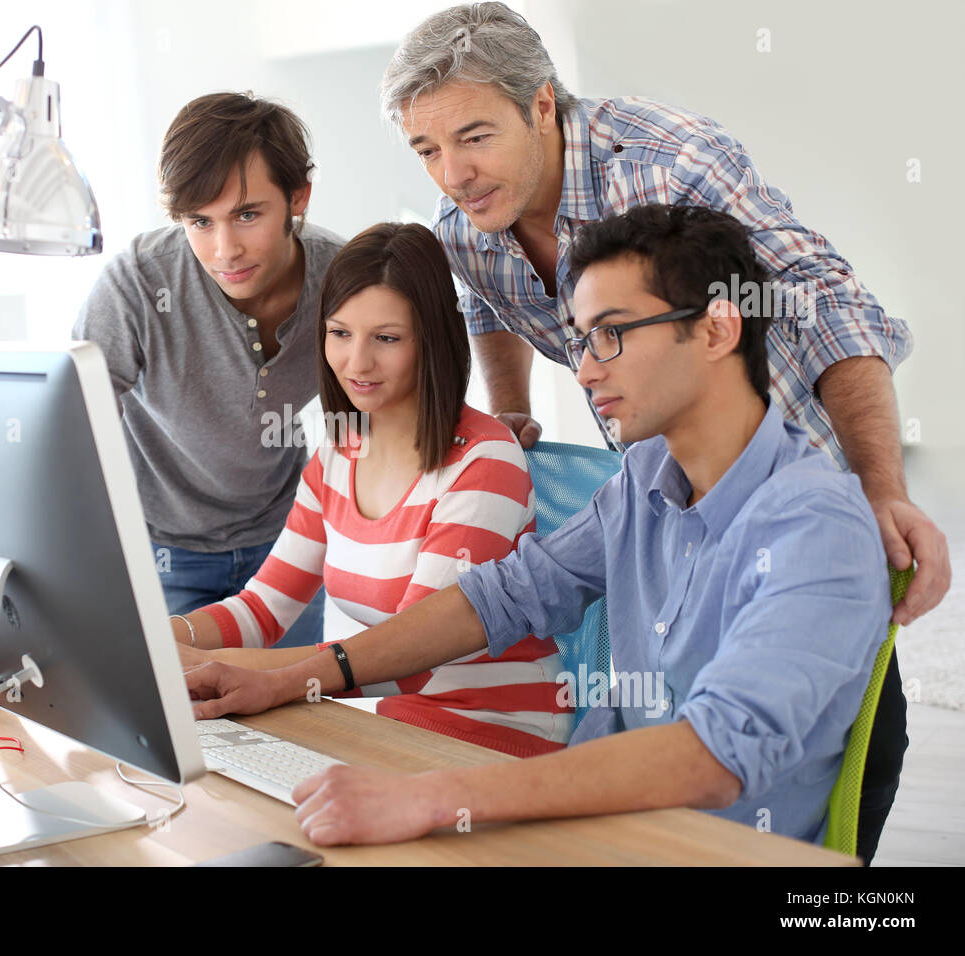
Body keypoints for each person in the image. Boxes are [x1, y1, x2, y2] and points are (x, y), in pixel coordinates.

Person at [378, 1, 949, 859]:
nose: (452, 174)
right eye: (426, 149)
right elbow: (486, 301)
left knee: (810, 731)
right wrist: (510, 406)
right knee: (666, 703)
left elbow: (828, 304)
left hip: (785, 472)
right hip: (663, 487)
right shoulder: (468, 223)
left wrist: (879, 487)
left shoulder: (666, 164)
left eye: (474, 137)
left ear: (542, 104)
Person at [185, 204, 891, 851]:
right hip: (592, 828)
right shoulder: (646, 476)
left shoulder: (815, 528)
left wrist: (431, 796)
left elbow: (715, 755)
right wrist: (300, 676)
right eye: (582, 340)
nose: (585, 371)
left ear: (716, 329)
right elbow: (507, 594)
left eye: (612, 335)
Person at [173, 222, 572, 758]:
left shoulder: (484, 460)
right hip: (398, 723)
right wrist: (162, 639)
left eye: (386, 338)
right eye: (340, 333)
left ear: (432, 340)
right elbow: (262, 609)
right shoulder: (339, 453)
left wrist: (209, 667)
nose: (356, 363)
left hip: (498, 731)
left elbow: (413, 656)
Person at [73, 93, 344, 647]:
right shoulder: (138, 283)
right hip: (163, 550)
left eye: (247, 215)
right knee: (180, 701)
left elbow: (380, 409)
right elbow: (72, 429)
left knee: (295, 698)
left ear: (298, 197)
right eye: (200, 221)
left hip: (285, 542)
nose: (225, 251)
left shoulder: (341, 278)